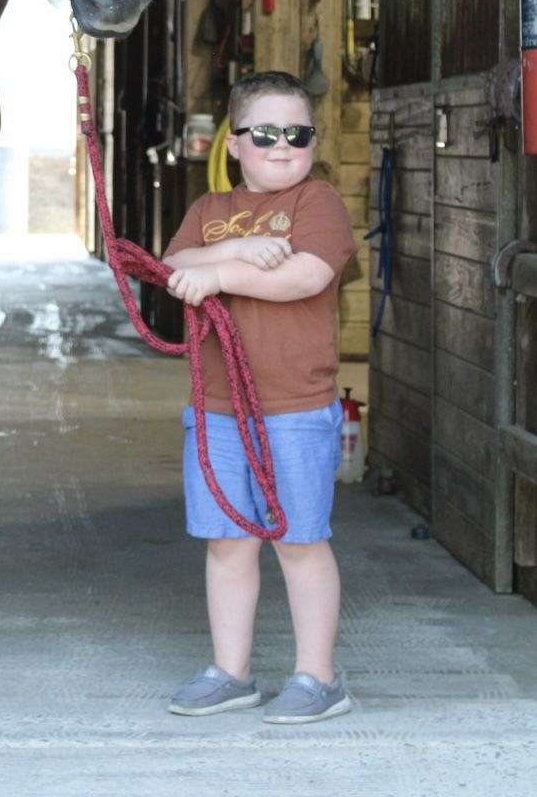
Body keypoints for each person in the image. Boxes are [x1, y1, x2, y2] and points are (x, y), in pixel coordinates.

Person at [161, 70, 357, 725]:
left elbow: (305, 276)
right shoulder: (208, 213)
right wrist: (238, 249)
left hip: (295, 407)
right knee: (227, 542)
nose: (281, 147)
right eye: (265, 134)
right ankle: (231, 671)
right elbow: (169, 267)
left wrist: (217, 272)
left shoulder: (318, 202)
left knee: (299, 540)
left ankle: (318, 677)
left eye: (296, 134)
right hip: (217, 407)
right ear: (235, 142)